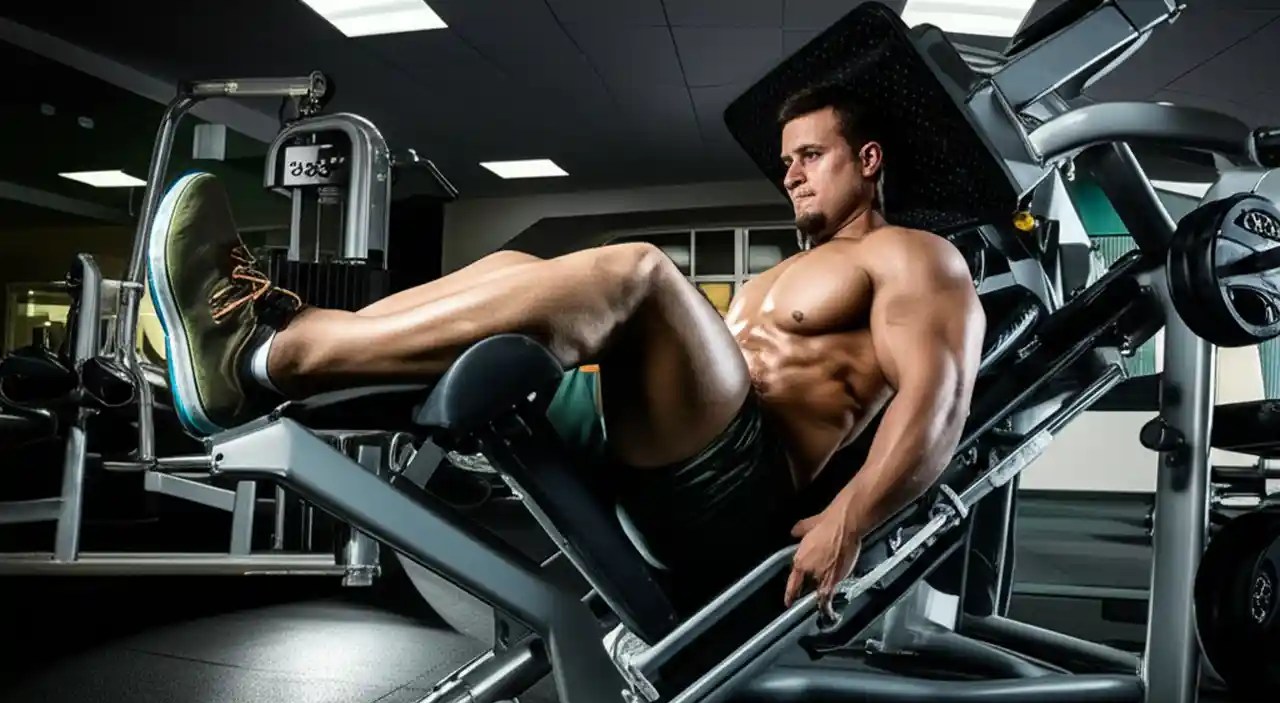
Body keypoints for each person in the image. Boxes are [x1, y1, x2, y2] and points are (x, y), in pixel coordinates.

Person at [145, 82, 985, 616]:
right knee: (516, 266)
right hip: (659, 445)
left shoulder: (912, 256)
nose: (792, 174)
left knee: (638, 275)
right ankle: (278, 336)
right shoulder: (791, 271)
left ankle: (270, 361)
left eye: (812, 156)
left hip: (734, 492)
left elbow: (937, 399)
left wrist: (848, 522)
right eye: (786, 161)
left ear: (868, 160)